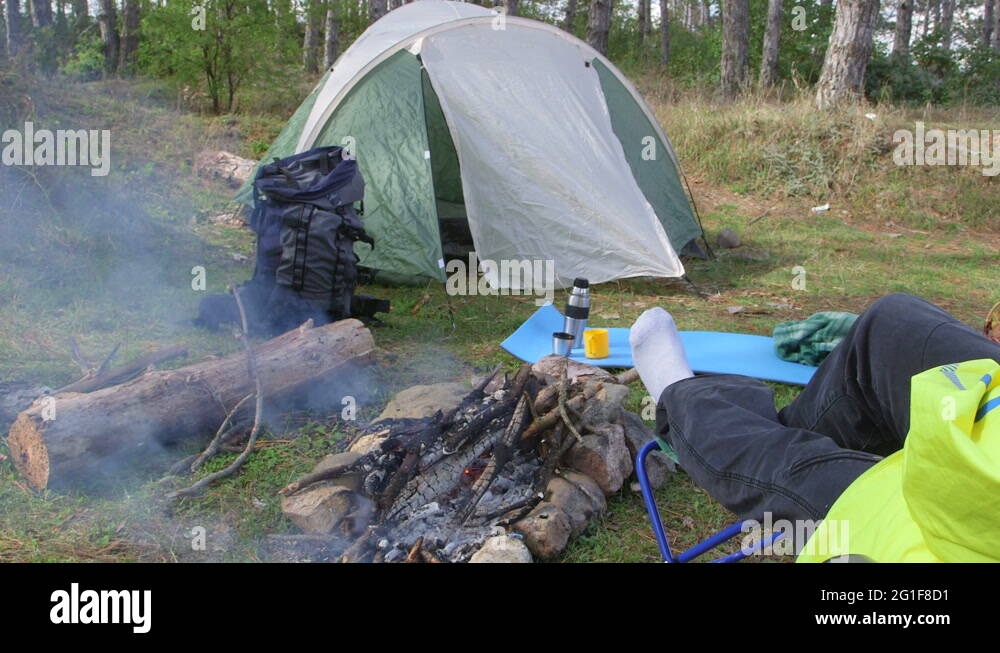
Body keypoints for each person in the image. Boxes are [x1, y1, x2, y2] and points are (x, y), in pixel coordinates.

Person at [628, 293, 1000, 562]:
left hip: (968, 522)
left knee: (781, 460)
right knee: (891, 324)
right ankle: (736, 435)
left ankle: (685, 406)